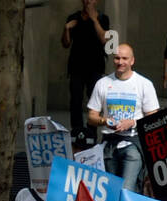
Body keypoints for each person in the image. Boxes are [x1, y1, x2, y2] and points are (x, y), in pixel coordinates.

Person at [87, 44, 159, 190]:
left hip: (133, 144)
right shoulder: (102, 83)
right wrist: (104, 121)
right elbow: (91, 117)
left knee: (127, 190)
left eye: (125, 58)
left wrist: (132, 123)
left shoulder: (144, 84)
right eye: (117, 58)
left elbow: (153, 118)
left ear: (132, 61)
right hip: (109, 144)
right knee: (111, 192)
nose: (120, 62)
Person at [62, 0, 111, 145]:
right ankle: (76, 132)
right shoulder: (73, 17)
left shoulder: (103, 18)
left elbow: (105, 40)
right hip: (76, 66)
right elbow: (65, 44)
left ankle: (91, 133)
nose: (88, 1)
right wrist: (66, 29)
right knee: (75, 101)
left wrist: (94, 19)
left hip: (95, 66)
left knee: (94, 102)